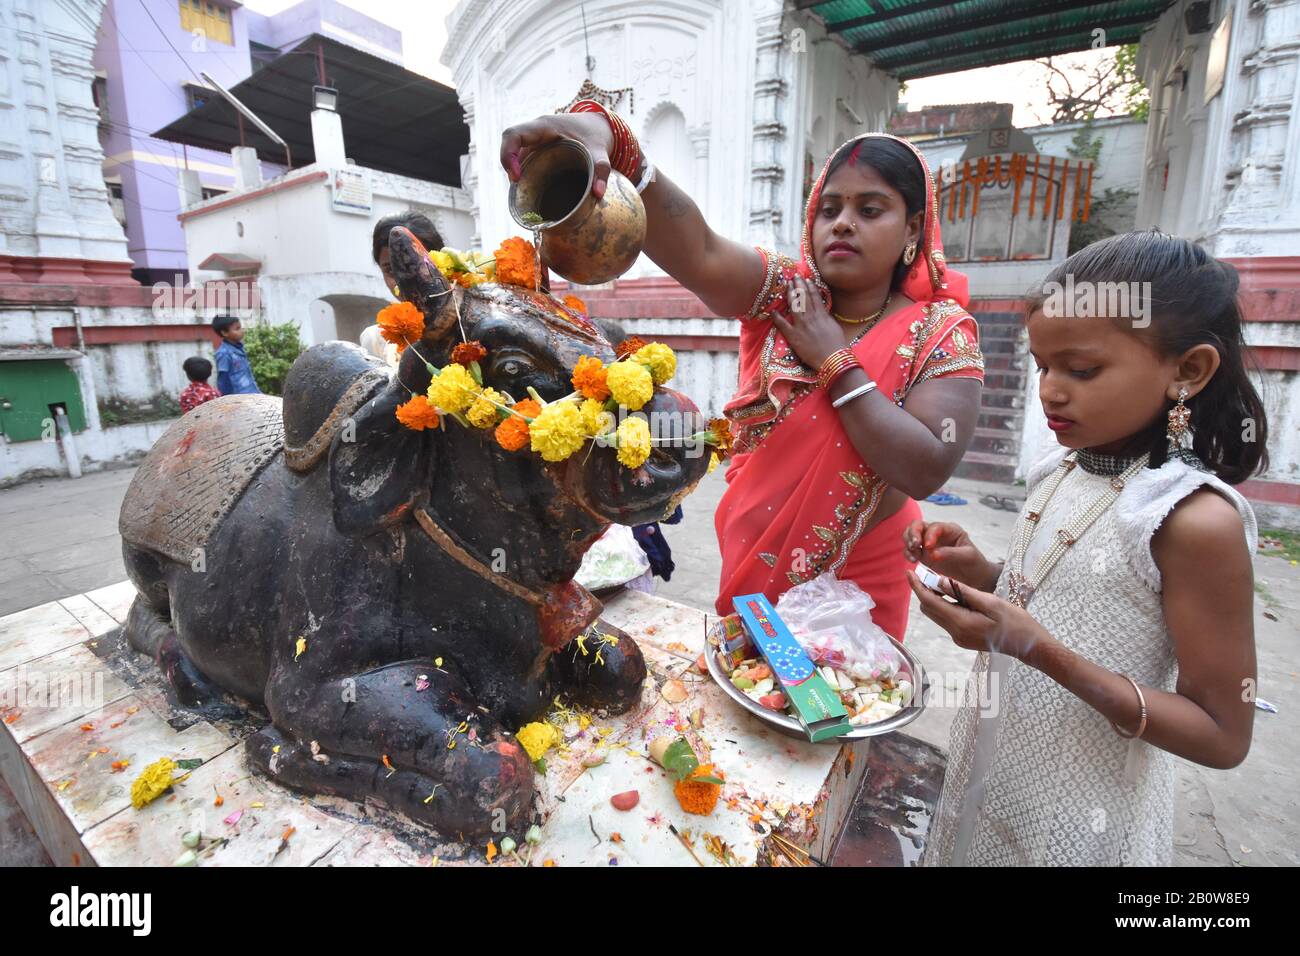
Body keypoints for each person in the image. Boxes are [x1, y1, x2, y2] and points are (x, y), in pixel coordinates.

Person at [501, 112, 984, 638]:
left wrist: (834, 363)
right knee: (751, 699)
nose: (843, 223)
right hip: (755, 548)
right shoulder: (787, 296)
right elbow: (701, 251)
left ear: (914, 226)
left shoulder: (942, 331)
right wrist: (621, 149)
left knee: (844, 704)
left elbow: (926, 466)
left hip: (861, 577)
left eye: (870, 210)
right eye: (829, 209)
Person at [905, 231, 1264, 865]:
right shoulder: (1062, 468)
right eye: (1043, 365)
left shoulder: (1190, 520)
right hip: (994, 780)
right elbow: (1075, 597)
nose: (1050, 390)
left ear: (1188, 370)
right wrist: (985, 575)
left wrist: (1037, 650)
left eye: (1082, 369)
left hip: (1085, 817)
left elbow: (1223, 735)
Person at [361, 211, 445, 364]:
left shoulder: (470, 326)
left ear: (440, 261)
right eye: (390, 270)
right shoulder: (375, 341)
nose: (402, 282)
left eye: (413, 266)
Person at [212, 315, 260, 395]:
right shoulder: (224, 353)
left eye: (240, 327)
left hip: (252, 392)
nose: (242, 331)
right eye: (237, 329)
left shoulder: (239, 347)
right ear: (224, 333)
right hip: (239, 398)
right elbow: (223, 379)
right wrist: (228, 400)